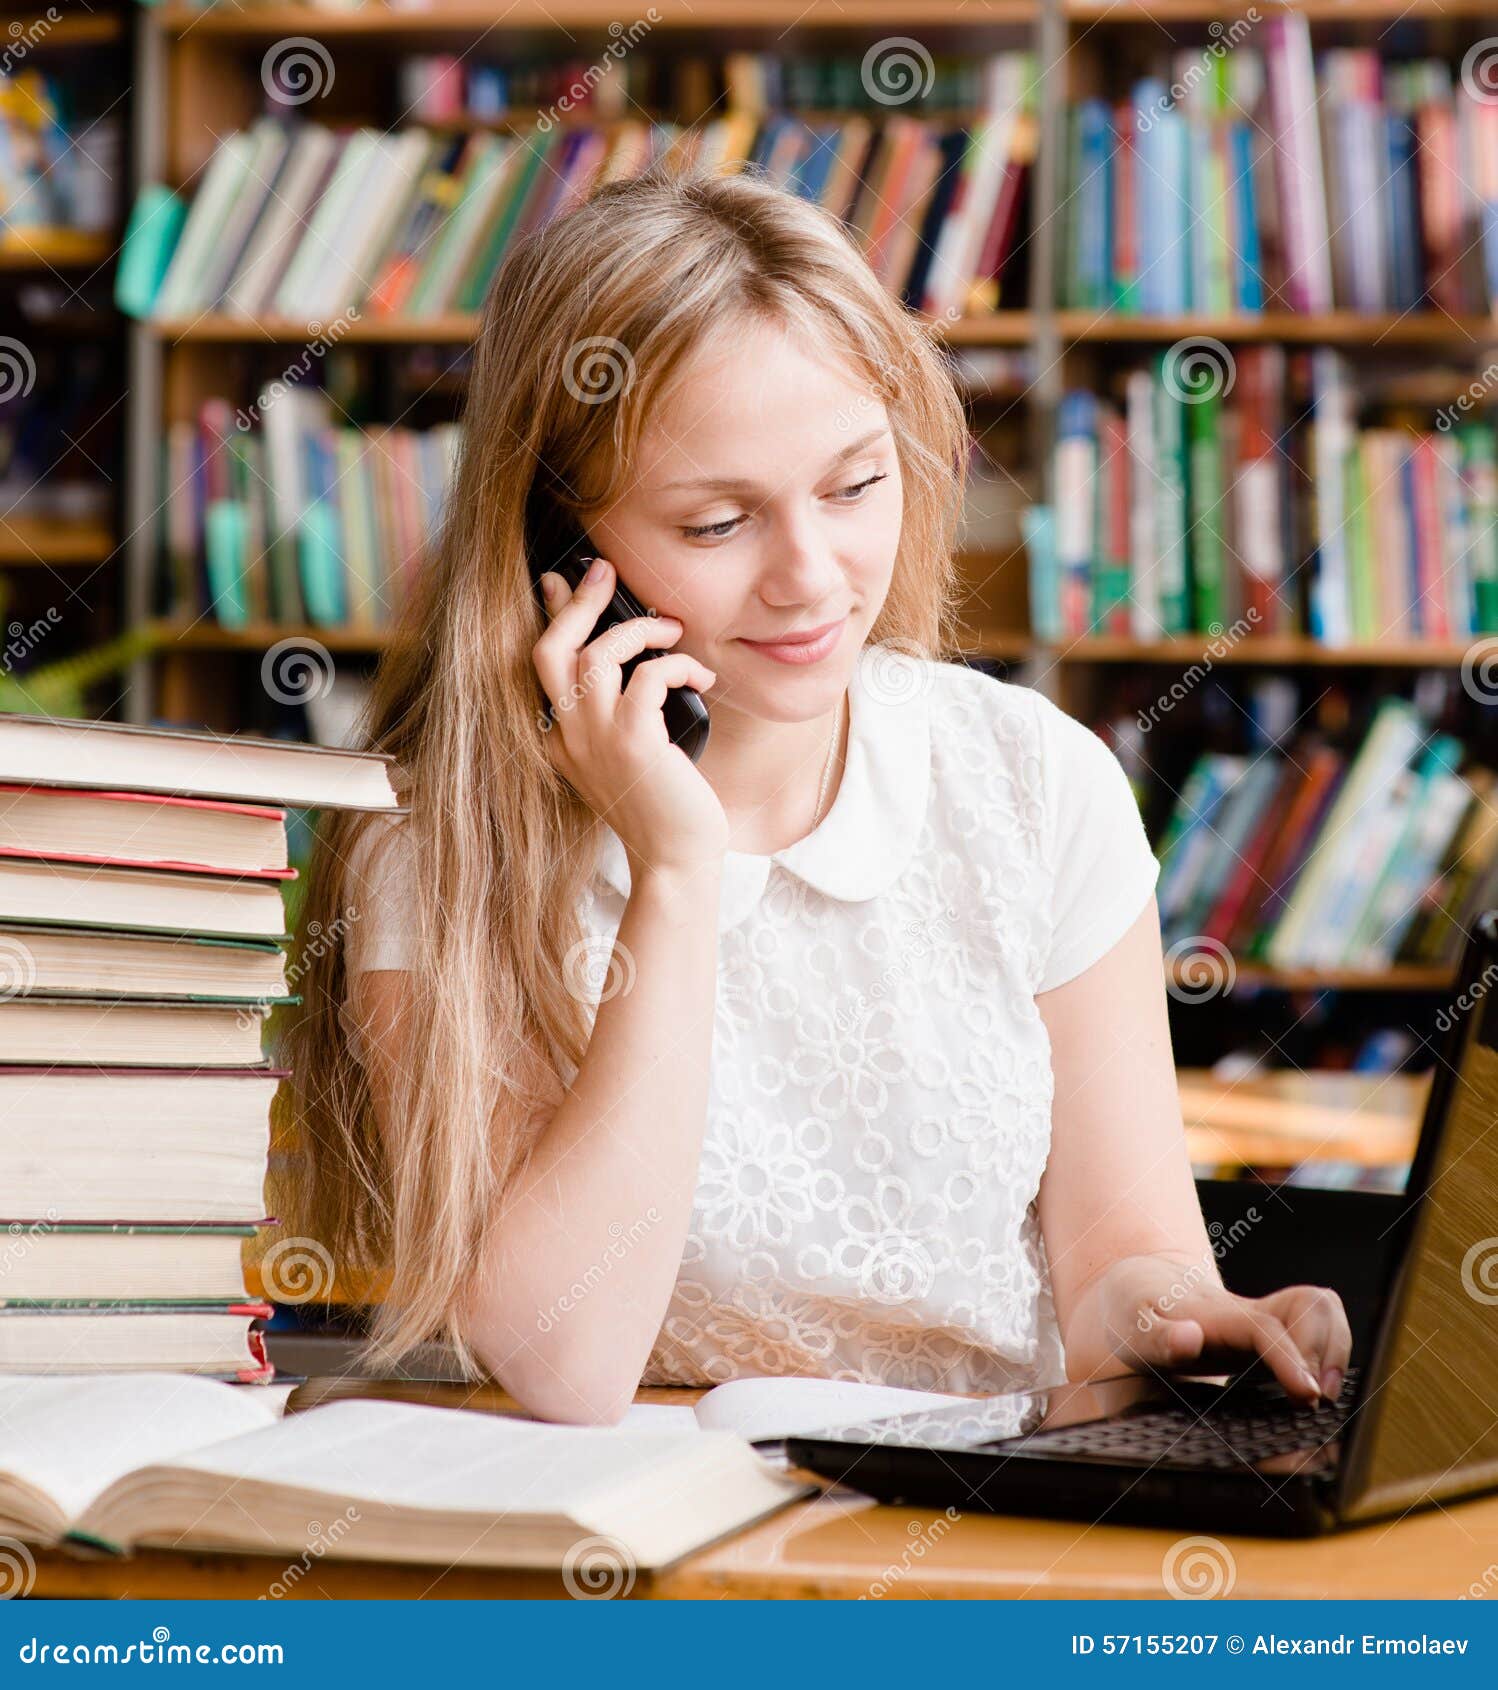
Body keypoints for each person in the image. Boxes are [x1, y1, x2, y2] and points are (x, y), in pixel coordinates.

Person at [277, 162, 1350, 1425]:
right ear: (561, 544)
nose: (812, 577)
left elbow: (1120, 1260)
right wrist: (674, 870)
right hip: (636, 1520)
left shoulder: (1033, 781)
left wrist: (1186, 1312)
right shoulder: (440, 851)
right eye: (716, 523)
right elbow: (566, 1361)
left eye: (852, 486)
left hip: (971, 1506)